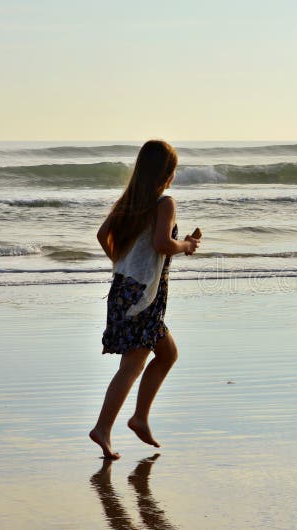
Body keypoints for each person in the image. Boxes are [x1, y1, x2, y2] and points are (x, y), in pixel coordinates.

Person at [89, 139, 199, 459]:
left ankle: (139, 418)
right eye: (173, 170)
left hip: (125, 289)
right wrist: (186, 246)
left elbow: (102, 235)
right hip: (143, 295)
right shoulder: (165, 203)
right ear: (167, 173)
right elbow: (163, 243)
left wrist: (121, 264)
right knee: (132, 365)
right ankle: (103, 428)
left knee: (167, 354)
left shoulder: (130, 200)